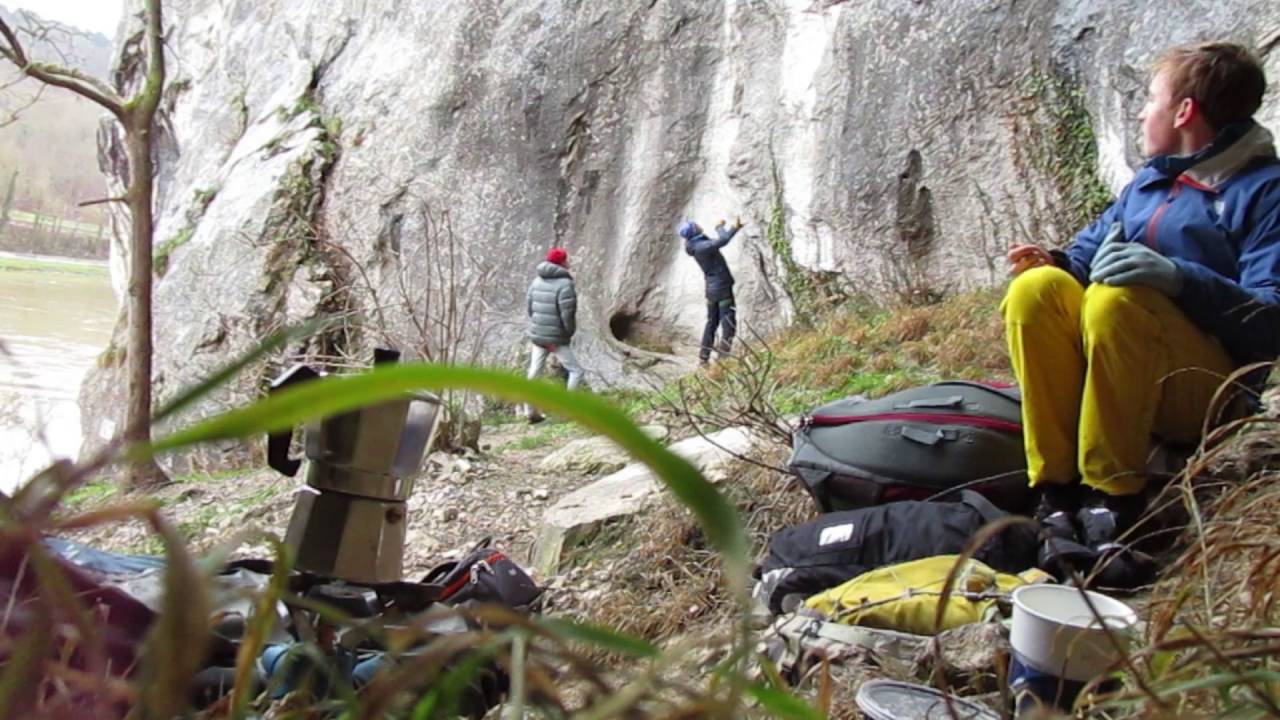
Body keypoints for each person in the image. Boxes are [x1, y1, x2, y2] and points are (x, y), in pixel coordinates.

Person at [1002, 41, 1280, 571]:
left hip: (1207, 395)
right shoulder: (1152, 182)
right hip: (1124, 369)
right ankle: (1056, 493)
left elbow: (1272, 319)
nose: (1139, 111)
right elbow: (1087, 256)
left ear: (1183, 111)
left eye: (1150, 99)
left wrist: (1181, 280)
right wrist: (1055, 261)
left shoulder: (1266, 192)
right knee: (1034, 290)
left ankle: (1115, 501)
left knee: (1118, 299)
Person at [524, 246, 584, 423]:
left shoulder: (536, 281)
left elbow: (530, 308)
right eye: (567, 259)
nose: (569, 261)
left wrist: (538, 326)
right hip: (555, 337)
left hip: (537, 335)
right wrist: (568, 333)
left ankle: (531, 412)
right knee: (576, 371)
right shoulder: (566, 284)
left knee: (534, 372)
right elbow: (568, 314)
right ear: (562, 262)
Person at [679, 217, 744, 364]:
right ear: (694, 230)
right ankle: (723, 359)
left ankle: (704, 357)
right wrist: (731, 227)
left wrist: (721, 227)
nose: (698, 224)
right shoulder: (702, 246)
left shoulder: (694, 244)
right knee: (728, 323)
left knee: (711, 323)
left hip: (712, 289)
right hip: (722, 288)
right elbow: (723, 241)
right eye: (696, 224)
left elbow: (719, 239)